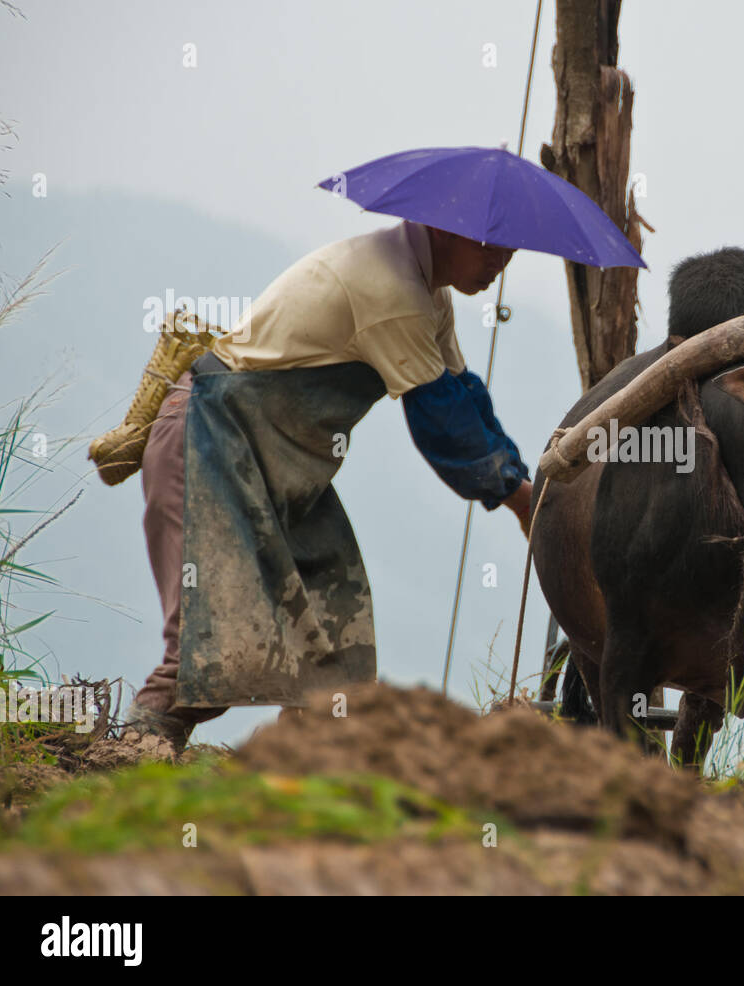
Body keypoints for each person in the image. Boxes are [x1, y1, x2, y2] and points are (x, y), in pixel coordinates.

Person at [120, 219, 531, 754]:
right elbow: (443, 423)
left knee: (336, 643)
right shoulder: (395, 290)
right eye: (488, 245)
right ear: (442, 229)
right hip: (207, 441)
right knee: (209, 641)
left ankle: (302, 780)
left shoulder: (430, 295)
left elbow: (462, 394)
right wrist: (520, 499)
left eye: (510, 249)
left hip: (277, 466)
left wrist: (521, 480)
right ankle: (130, 758)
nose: (500, 260)